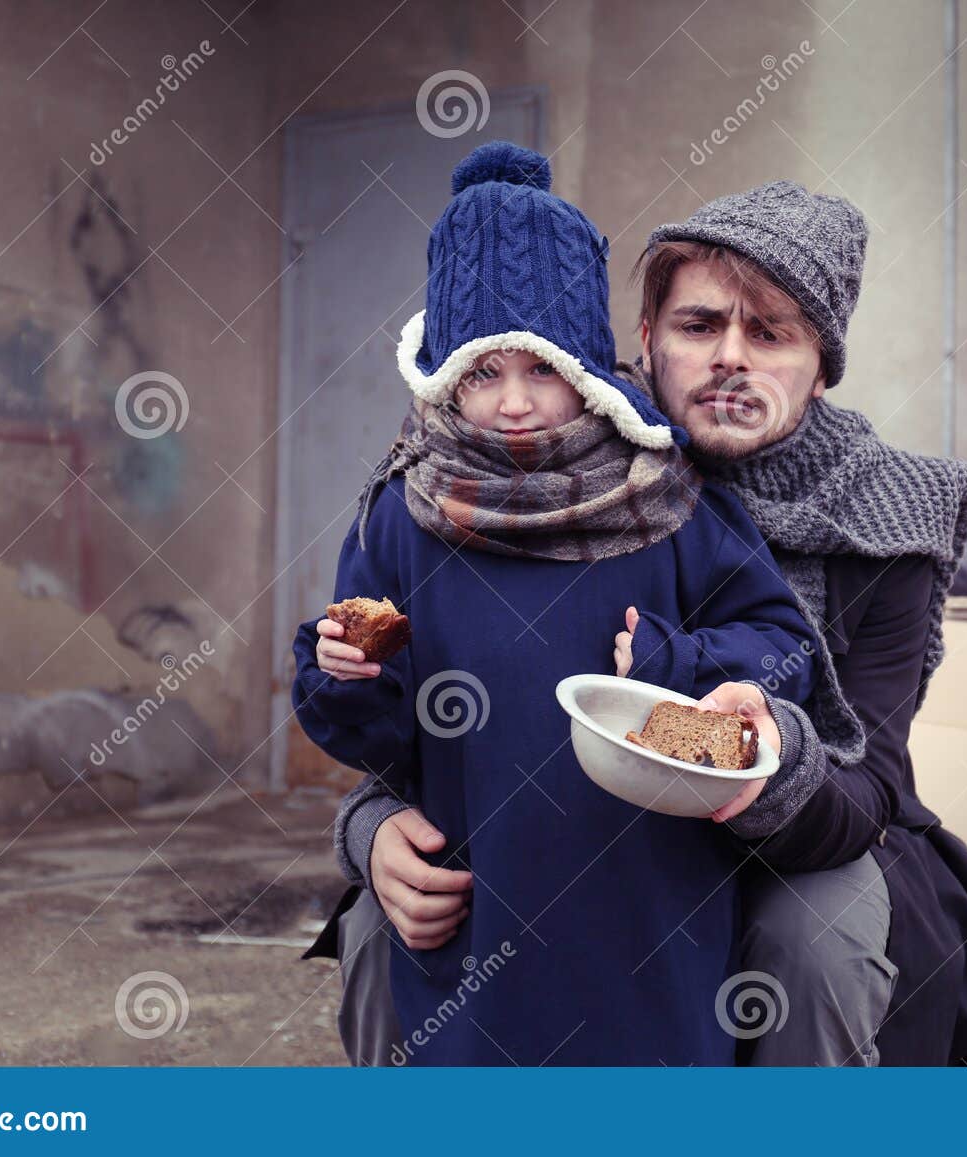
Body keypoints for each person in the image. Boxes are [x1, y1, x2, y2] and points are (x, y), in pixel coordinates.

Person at [318, 177, 967, 1067]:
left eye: (770, 333)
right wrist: (371, 821)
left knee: (813, 950)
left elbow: (867, 781)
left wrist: (763, 762)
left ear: (821, 360)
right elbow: (451, 661)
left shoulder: (892, 515)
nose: (731, 357)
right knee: (384, 924)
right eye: (698, 326)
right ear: (642, 340)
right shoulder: (546, 452)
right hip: (577, 816)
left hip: (801, 830)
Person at [291, 142, 821, 1065]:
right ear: (443, 374)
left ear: (585, 368)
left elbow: (783, 646)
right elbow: (379, 740)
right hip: (476, 905)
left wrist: (677, 672)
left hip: (651, 917)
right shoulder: (404, 511)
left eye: (541, 371)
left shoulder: (668, 496)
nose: (514, 404)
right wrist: (347, 675)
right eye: (483, 373)